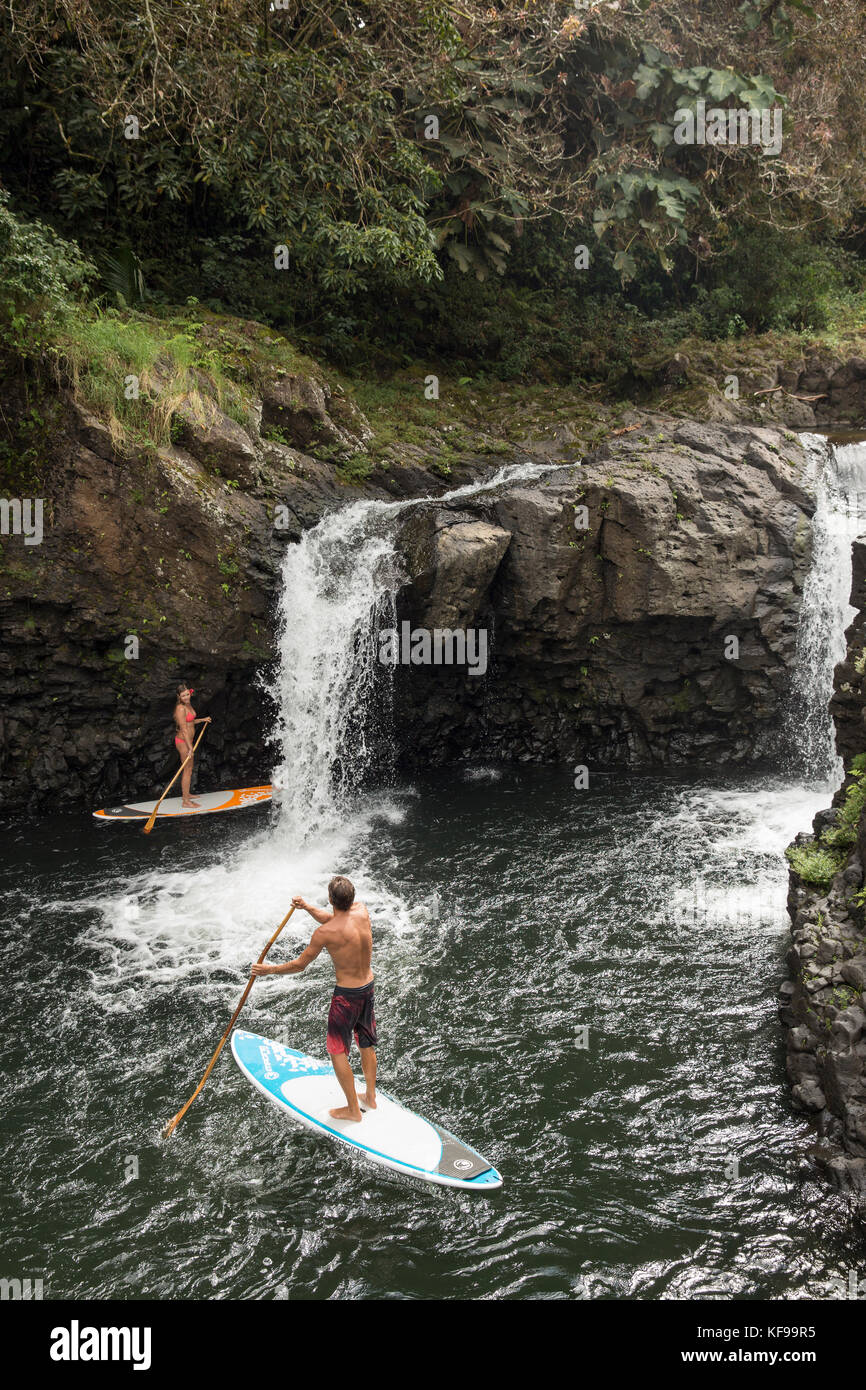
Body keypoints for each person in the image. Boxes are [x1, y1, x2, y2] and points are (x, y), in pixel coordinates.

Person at [250, 875, 377, 1123]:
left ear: (331, 899)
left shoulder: (324, 933)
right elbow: (336, 919)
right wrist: (307, 907)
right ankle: (370, 1097)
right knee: (365, 1042)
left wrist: (269, 970)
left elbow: (300, 965)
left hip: (347, 997)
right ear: (351, 898)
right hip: (368, 987)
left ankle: (353, 1110)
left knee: (337, 1051)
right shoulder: (362, 912)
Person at [172, 683, 211, 809]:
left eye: (187, 694)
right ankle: (185, 801)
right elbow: (183, 729)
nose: (186, 697)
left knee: (190, 768)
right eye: (183, 696)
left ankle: (187, 794)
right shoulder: (180, 708)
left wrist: (203, 719)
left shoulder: (188, 705)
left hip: (189, 741)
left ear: (190, 693)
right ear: (179, 696)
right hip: (183, 742)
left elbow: (190, 722)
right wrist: (190, 748)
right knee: (187, 770)